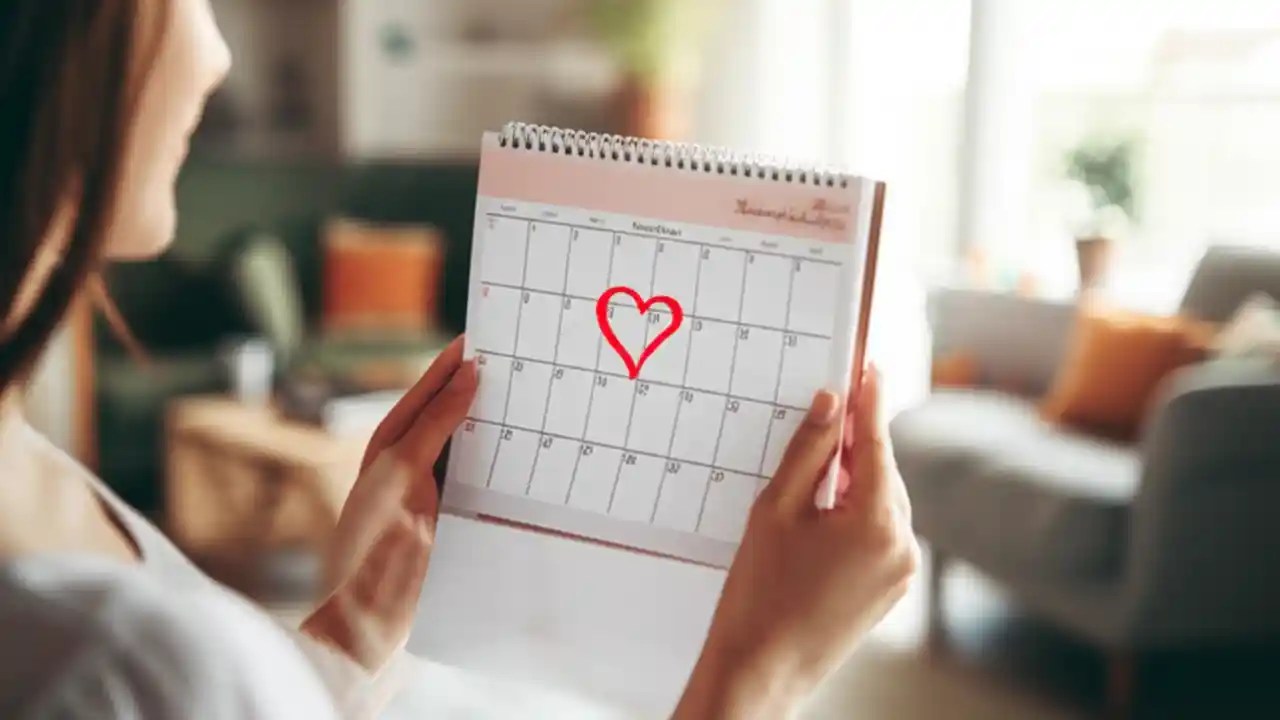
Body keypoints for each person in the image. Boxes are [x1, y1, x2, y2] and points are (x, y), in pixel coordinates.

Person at [0, 0, 919, 718]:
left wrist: (356, 627)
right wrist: (758, 674)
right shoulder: (117, 660)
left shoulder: (37, 489)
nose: (217, 54)